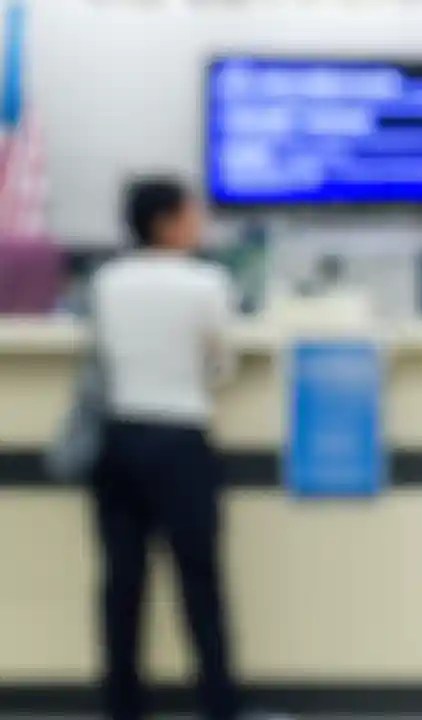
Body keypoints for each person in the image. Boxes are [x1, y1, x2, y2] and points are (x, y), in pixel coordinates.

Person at [91, 177, 241, 720]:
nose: (198, 224)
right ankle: (218, 703)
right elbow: (222, 365)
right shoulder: (205, 282)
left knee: (122, 582)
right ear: (165, 222)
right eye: (190, 214)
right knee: (199, 581)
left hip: (119, 441)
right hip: (181, 441)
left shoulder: (107, 281)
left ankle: (122, 706)